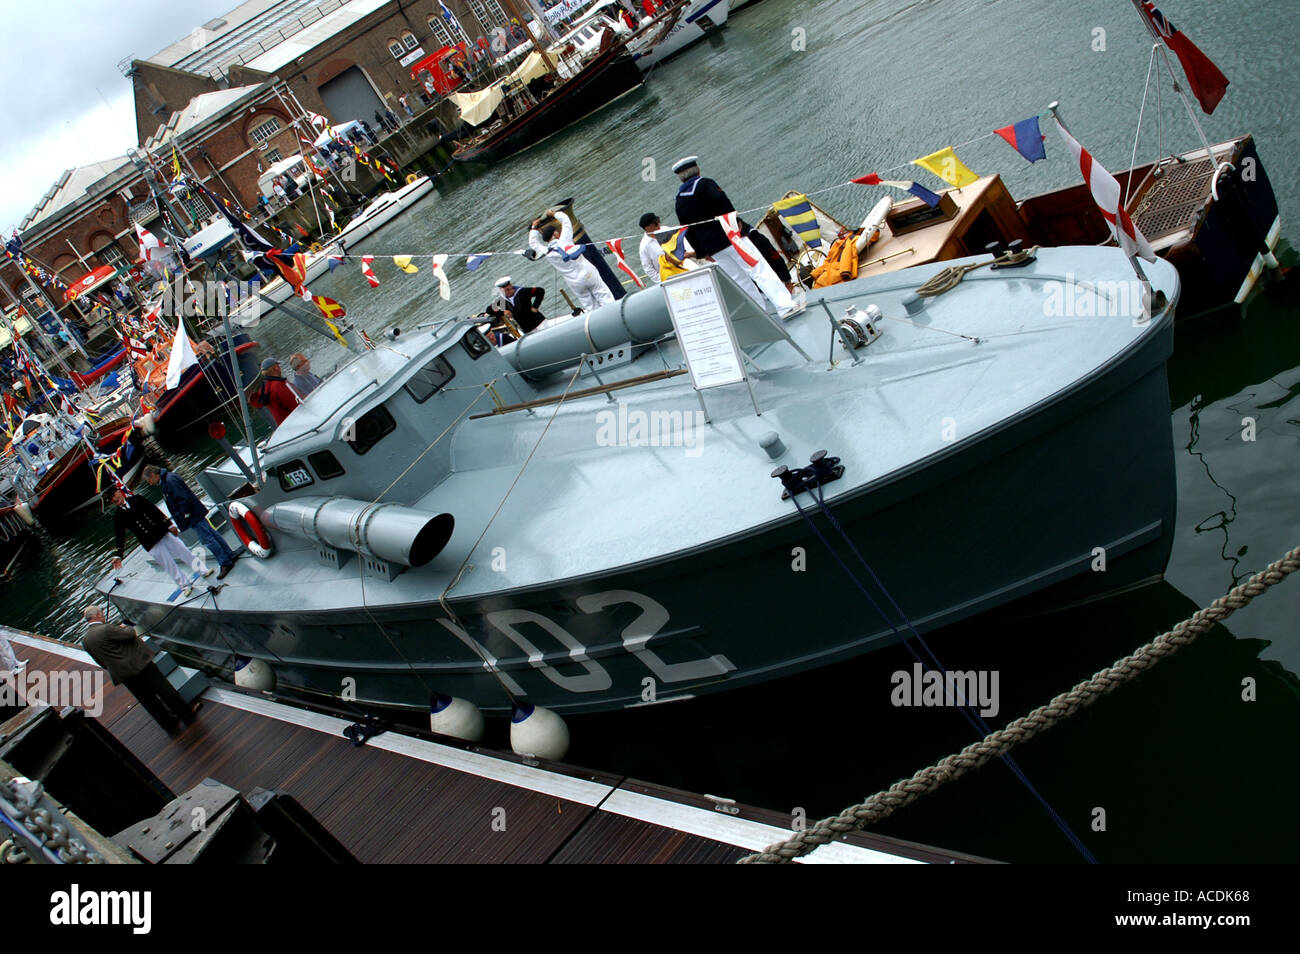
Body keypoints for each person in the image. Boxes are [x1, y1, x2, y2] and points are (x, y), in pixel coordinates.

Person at [671, 155, 795, 313]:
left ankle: (760, 314)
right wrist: (737, 223)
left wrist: (702, 252)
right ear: (697, 169)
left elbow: (686, 228)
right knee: (758, 269)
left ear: (680, 178)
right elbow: (723, 203)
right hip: (731, 238)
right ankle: (785, 306)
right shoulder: (705, 184)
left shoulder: (679, 199)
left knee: (740, 281)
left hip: (712, 248)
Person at [82, 605, 197, 730]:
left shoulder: (85, 640)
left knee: (147, 700)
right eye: (102, 614)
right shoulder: (106, 629)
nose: (103, 616)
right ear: (97, 615)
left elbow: (100, 661)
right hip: (140, 664)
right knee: (163, 689)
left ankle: (168, 724)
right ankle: (186, 713)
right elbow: (130, 633)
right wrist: (124, 627)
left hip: (123, 675)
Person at [109, 486, 212, 599]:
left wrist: (169, 524)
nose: (114, 499)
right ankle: (185, 585)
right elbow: (120, 535)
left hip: (161, 530)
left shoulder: (137, 499)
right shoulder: (118, 516)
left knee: (183, 551)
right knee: (168, 564)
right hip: (149, 541)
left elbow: (154, 510)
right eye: (111, 499)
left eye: (114, 495)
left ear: (119, 492)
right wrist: (118, 555)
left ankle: (202, 570)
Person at [143, 465, 236, 580]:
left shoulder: (169, 481)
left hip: (193, 516)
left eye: (149, 481)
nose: (150, 483)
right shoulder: (169, 478)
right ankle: (229, 555)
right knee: (212, 534)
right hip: (195, 513)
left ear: (152, 475)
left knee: (207, 539)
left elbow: (183, 498)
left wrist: (185, 515)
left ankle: (225, 562)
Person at [528, 210, 615, 313]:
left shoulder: (546, 252)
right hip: (588, 274)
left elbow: (533, 243)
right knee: (604, 296)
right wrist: (554, 214)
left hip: (574, 283)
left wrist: (534, 227)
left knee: (590, 307)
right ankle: (615, 315)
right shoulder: (565, 240)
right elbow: (565, 220)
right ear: (556, 234)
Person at [249, 357, 300, 426]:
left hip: (284, 425)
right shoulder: (278, 385)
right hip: (295, 421)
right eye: (278, 365)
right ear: (275, 368)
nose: (280, 367)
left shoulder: (266, 387)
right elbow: (293, 404)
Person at [638, 212, 665, 284]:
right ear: (647, 228)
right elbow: (648, 268)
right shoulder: (644, 247)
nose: (659, 224)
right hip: (667, 276)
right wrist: (662, 280)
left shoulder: (667, 229)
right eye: (655, 223)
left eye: (658, 221)